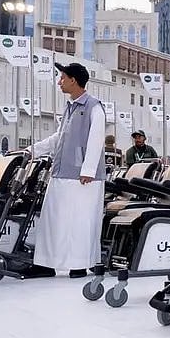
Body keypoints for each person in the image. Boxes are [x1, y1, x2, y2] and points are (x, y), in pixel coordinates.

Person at [26, 62, 107, 278]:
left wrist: (88, 169)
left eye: (62, 77)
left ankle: (79, 265)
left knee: (80, 220)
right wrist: (31, 150)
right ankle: (46, 264)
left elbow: (96, 139)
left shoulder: (94, 107)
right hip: (61, 173)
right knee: (53, 219)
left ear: (73, 80)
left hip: (84, 177)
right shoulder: (70, 107)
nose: (59, 82)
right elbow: (58, 138)